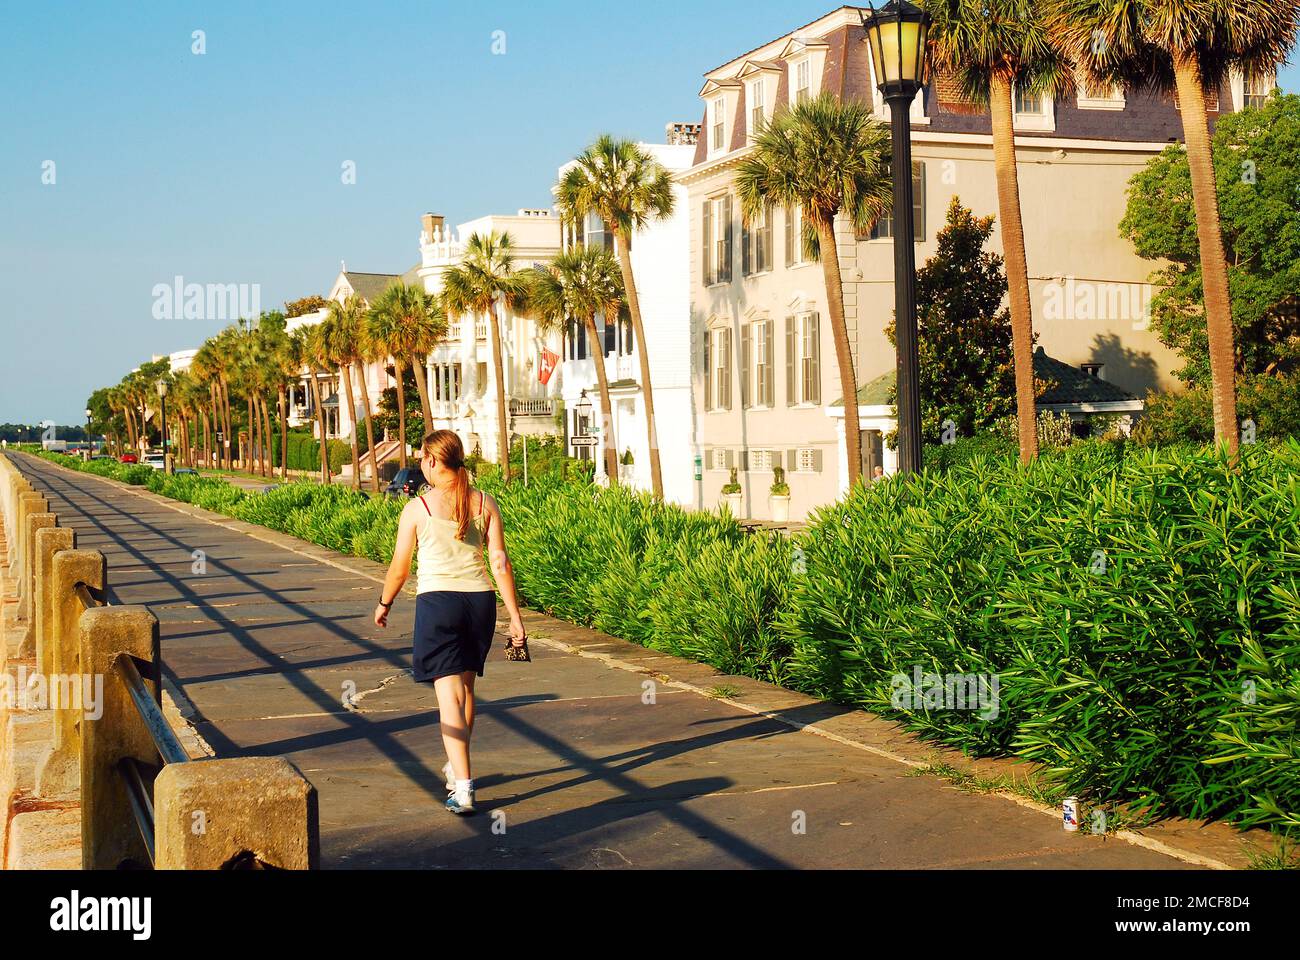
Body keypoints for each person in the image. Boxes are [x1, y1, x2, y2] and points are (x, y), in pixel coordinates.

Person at [374, 430, 527, 814]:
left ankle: (464, 787)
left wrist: (384, 602)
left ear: (430, 461)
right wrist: (515, 617)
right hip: (480, 604)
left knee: (448, 698)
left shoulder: (418, 508)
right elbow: (500, 563)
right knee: (466, 690)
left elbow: (399, 568)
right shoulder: (485, 502)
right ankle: (456, 765)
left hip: (439, 604)